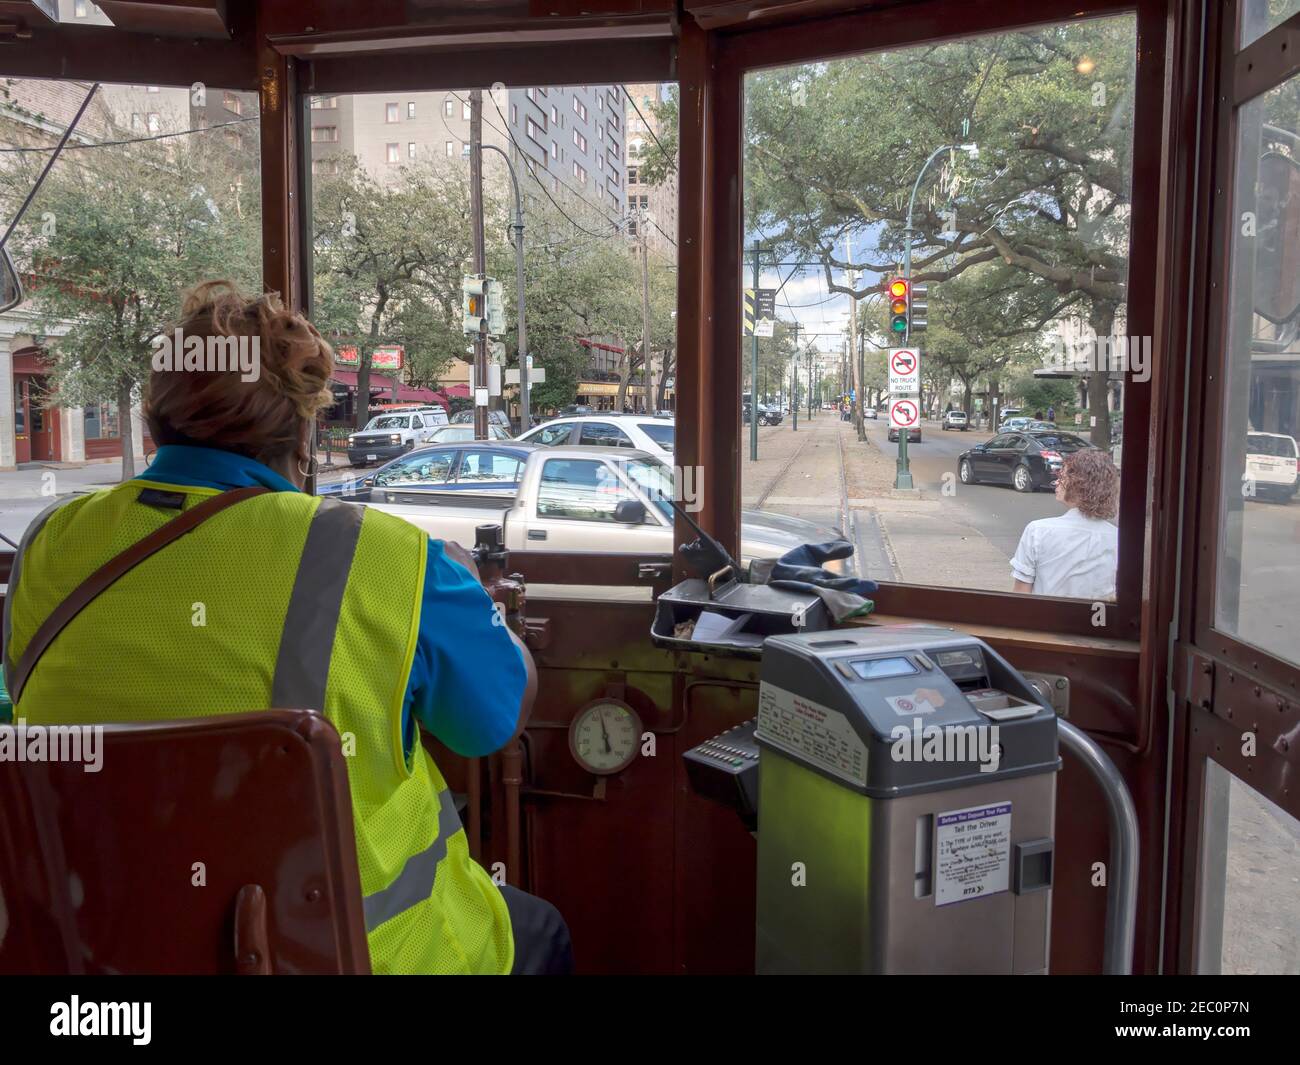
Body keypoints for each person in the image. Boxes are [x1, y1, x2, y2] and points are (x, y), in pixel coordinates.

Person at [3, 281, 572, 976]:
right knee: (540, 929)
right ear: (301, 432)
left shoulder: (48, 545)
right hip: (363, 958)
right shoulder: (388, 558)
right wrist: (490, 614)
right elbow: (493, 722)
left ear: (156, 426)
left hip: (103, 962)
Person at [1010, 448, 1119, 600]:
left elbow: (1020, 597)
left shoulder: (1038, 531)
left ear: (1077, 485)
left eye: (1062, 477)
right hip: (1097, 622)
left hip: (1046, 620)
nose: (1056, 483)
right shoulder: (1117, 538)